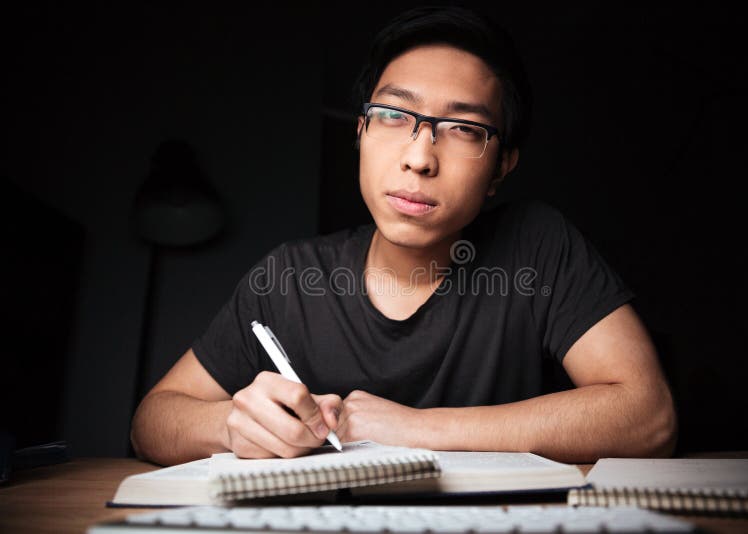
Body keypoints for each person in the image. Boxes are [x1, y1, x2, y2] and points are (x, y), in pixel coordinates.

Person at [131, 5, 677, 466]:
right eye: (393, 115)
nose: (419, 158)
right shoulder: (290, 279)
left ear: (502, 166)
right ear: (362, 131)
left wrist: (414, 428)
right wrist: (232, 425)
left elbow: (647, 416)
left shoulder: (536, 245)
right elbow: (152, 421)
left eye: (464, 129)